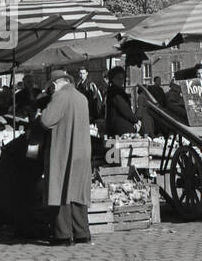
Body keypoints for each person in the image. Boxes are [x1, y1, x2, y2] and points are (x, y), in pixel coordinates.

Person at [33, 69, 92, 245]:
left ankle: (63, 235)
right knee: (77, 193)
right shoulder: (82, 97)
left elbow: (47, 120)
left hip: (64, 149)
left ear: (55, 84)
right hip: (82, 152)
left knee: (60, 190)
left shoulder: (60, 96)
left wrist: (39, 115)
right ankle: (82, 233)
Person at [102, 66, 140, 136]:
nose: (121, 81)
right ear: (112, 79)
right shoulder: (115, 91)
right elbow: (123, 108)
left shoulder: (116, 90)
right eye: (118, 78)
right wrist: (136, 120)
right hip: (119, 127)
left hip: (118, 125)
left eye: (122, 78)